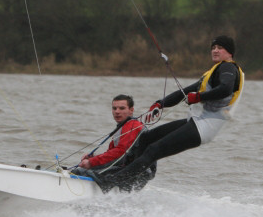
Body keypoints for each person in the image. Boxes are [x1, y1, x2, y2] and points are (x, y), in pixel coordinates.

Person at [90, 35, 244, 192]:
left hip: (204, 127)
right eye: (213, 48)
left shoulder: (228, 68)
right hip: (196, 122)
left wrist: (199, 96)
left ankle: (113, 181)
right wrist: (160, 104)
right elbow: (184, 92)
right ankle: (131, 180)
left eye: (220, 48)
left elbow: (225, 88)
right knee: (146, 138)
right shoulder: (214, 72)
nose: (215, 51)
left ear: (229, 52)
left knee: (153, 150)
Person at [72, 95, 156, 188]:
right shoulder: (123, 127)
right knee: (88, 169)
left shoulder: (132, 126)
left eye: (122, 108)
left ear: (131, 110)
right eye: (114, 108)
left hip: (139, 171)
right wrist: (93, 158)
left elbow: (120, 152)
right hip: (134, 169)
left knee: (79, 171)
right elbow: (111, 154)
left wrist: (91, 162)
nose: (117, 112)